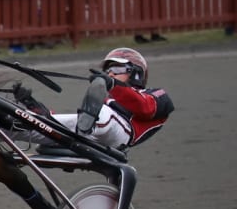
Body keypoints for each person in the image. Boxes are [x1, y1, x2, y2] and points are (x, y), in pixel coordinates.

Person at [43, 48, 172, 153]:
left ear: (136, 73)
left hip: (123, 132)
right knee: (37, 124)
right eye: (108, 71)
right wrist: (37, 112)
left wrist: (113, 85)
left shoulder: (156, 95)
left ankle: (80, 132)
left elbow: (145, 108)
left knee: (101, 113)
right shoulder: (104, 99)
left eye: (117, 69)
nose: (110, 74)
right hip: (94, 132)